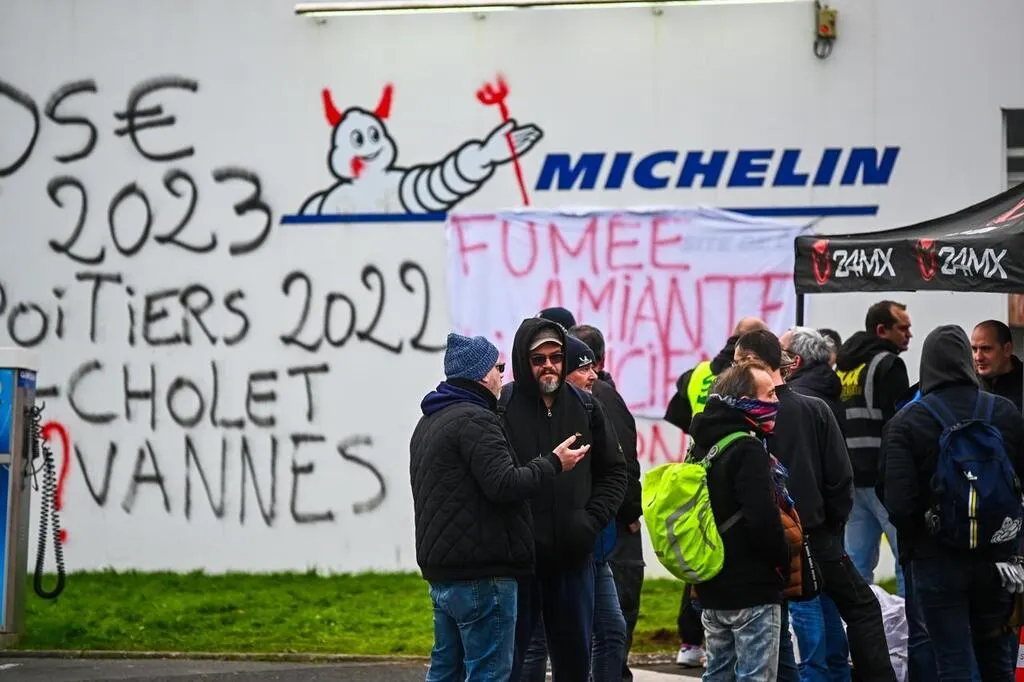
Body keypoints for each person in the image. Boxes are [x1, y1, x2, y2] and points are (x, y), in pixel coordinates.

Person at [409, 332, 590, 681]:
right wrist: (553, 462)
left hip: (444, 573)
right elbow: (505, 484)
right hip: (483, 574)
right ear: (481, 375)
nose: (503, 376)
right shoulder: (477, 419)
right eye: (499, 368)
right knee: (489, 673)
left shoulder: (429, 421)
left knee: (446, 671)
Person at [736, 330, 896, 682]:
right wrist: (829, 526)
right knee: (854, 607)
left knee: (776, 622)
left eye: (737, 362)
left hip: (765, 537)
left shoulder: (740, 415)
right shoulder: (813, 409)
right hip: (814, 534)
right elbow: (840, 479)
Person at [883, 325, 1024, 679]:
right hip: (998, 557)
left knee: (952, 659)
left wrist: (922, 537)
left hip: (937, 561)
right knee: (997, 659)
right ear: (965, 359)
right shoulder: (1004, 412)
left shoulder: (908, 421)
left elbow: (898, 503)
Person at [501, 318, 627, 681]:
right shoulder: (503, 407)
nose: (548, 366)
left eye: (556, 357)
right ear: (523, 362)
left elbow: (614, 472)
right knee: (517, 664)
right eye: (538, 359)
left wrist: (588, 522)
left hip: (574, 560)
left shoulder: (587, 407)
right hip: (521, 564)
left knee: (574, 662)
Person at [663, 315, 767, 667]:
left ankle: (690, 639)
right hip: (735, 452)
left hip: (700, 457)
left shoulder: (697, 373)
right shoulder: (749, 379)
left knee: (702, 549)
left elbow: (676, 413)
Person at [689, 359, 790, 681]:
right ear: (745, 400)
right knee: (754, 676)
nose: (776, 401)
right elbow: (762, 518)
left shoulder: (702, 446)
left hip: (711, 584)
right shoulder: (747, 449)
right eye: (769, 394)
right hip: (752, 587)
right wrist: (781, 563)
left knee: (717, 673)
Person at [570, 324, 646, 681]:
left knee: (610, 627)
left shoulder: (598, 398)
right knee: (605, 624)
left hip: (601, 532)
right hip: (598, 532)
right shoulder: (591, 398)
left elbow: (620, 465)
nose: (591, 375)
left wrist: (627, 509)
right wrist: (628, 513)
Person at [778, 326, 852, 681]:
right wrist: (835, 517)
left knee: (805, 600)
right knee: (827, 600)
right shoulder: (829, 393)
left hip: (799, 518)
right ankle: (836, 672)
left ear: (795, 360)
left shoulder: (794, 401)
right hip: (825, 519)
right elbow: (839, 470)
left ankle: (815, 676)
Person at [835, 300, 912, 597]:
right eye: (902, 328)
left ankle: (856, 635)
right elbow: (899, 424)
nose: (909, 334)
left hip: (851, 481)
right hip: (883, 480)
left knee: (855, 566)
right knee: (906, 560)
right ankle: (908, 636)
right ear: (882, 330)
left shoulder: (842, 367)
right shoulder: (889, 365)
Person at [971, 319, 1023, 412]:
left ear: (1007, 349)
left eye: (986, 349)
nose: (978, 357)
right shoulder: (968, 384)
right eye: (974, 349)